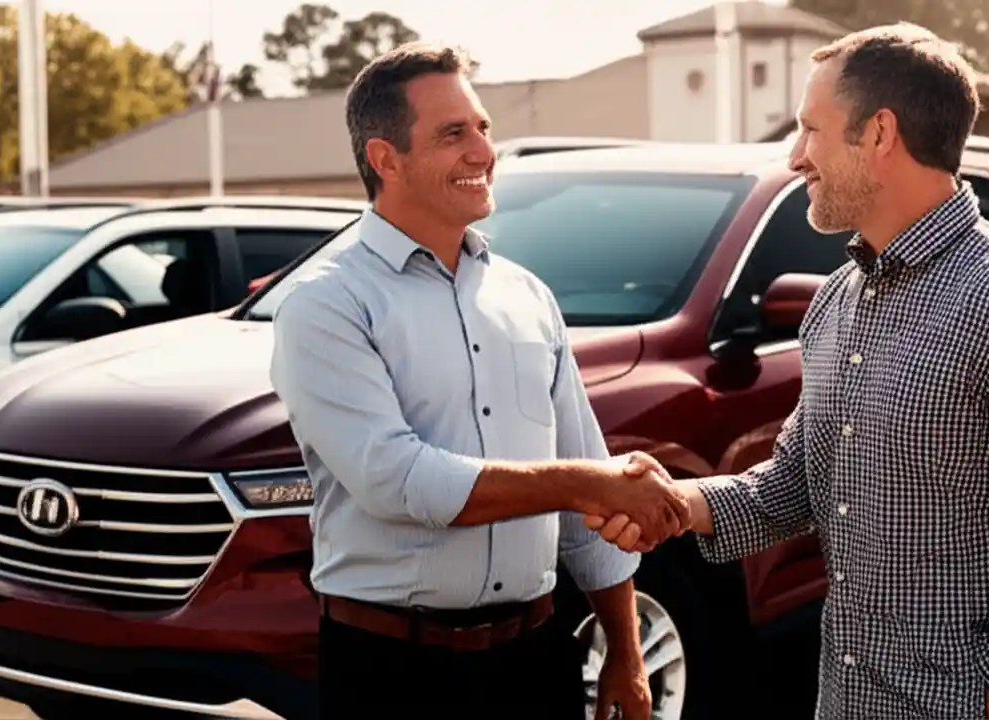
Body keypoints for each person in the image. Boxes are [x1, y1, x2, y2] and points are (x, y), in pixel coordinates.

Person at [591, 23, 989, 720]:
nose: (795, 157)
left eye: (810, 130)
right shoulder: (837, 302)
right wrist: (676, 505)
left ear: (879, 134)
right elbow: (796, 484)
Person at [269, 42, 688, 720]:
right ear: (385, 159)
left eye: (484, 128)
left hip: (535, 661)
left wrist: (625, 648)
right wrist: (586, 482)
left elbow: (586, 486)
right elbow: (395, 479)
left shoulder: (527, 296)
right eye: (453, 133)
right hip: (393, 674)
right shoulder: (327, 302)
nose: (483, 151)